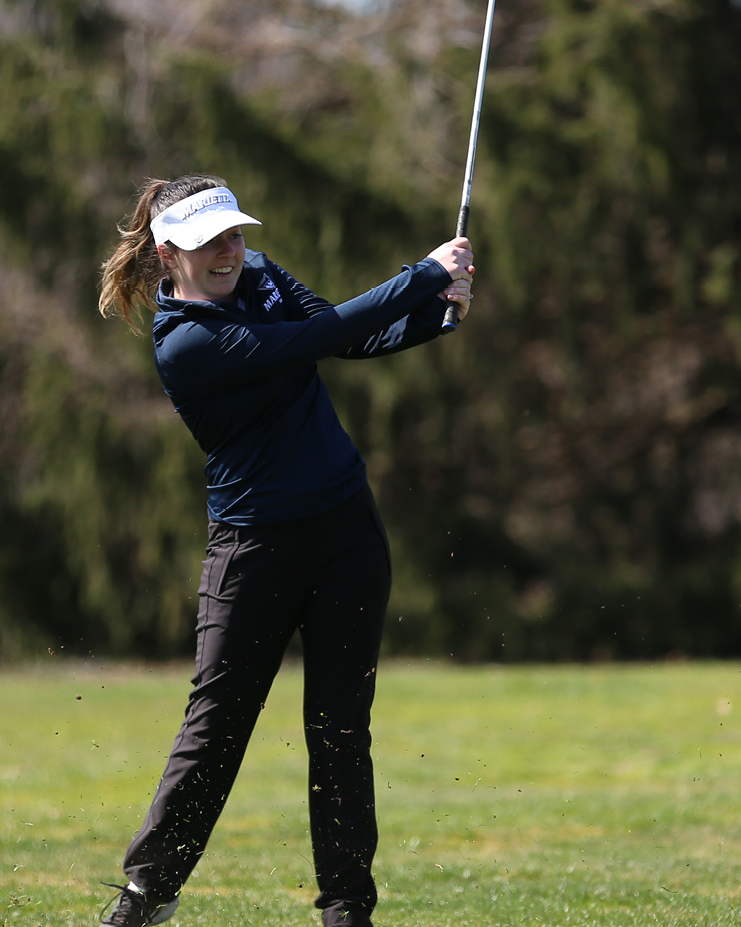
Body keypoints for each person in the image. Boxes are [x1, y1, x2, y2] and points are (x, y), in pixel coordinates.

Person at [93, 175, 475, 927]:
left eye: (234, 235)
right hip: (253, 551)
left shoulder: (260, 274)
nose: (231, 252)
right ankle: (147, 895)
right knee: (216, 731)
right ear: (170, 254)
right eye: (210, 244)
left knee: (340, 728)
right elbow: (309, 342)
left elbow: (348, 332)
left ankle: (346, 911)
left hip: (345, 532)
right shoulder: (187, 343)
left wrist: (437, 315)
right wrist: (424, 274)